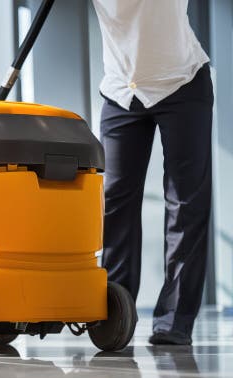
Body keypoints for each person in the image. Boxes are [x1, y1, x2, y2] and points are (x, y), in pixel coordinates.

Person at [92, 0, 213, 345]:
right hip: (120, 91)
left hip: (181, 82)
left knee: (185, 203)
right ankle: (114, 313)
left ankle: (174, 322)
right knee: (114, 201)